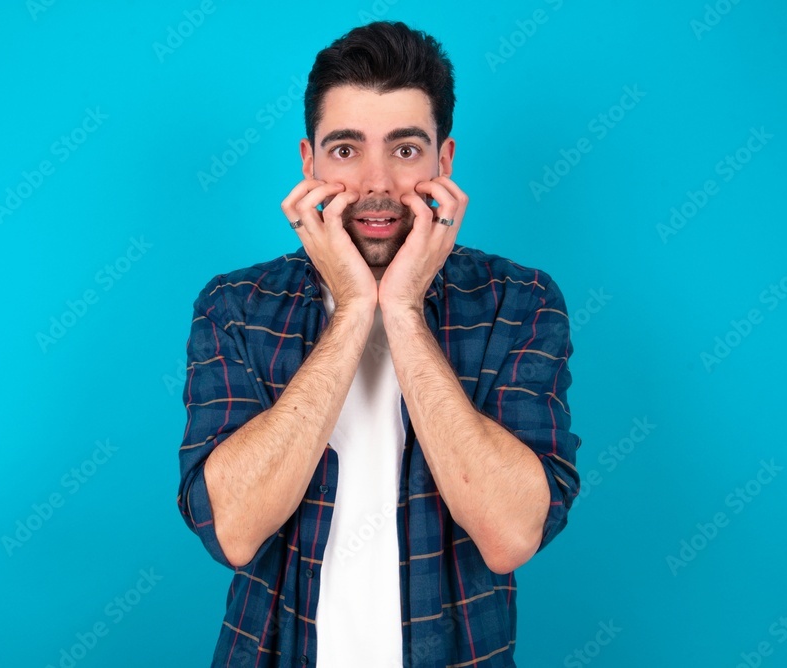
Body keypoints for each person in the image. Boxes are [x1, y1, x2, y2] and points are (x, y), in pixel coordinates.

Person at [177, 20, 580, 667]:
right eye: (345, 150)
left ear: (444, 161)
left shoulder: (519, 300)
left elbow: (509, 535)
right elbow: (234, 528)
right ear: (308, 162)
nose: (377, 183)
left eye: (404, 149)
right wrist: (354, 310)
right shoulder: (236, 308)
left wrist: (401, 309)